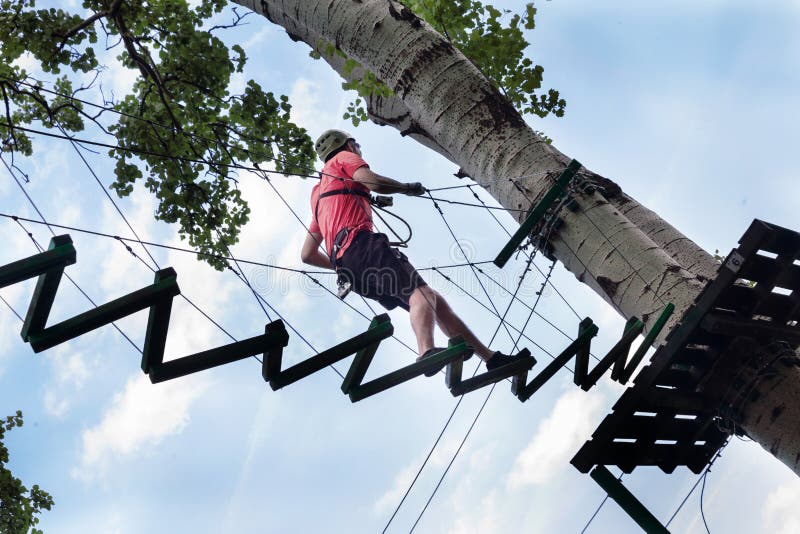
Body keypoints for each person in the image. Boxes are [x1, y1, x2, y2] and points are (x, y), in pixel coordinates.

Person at [300, 129, 528, 375]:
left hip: (349, 271)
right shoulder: (343, 159)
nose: (359, 149)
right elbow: (373, 182)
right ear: (347, 145)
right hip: (361, 244)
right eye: (356, 144)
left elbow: (308, 254)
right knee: (422, 294)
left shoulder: (318, 194)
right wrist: (406, 188)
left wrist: (342, 265)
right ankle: (426, 352)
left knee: (434, 304)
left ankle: (491, 358)